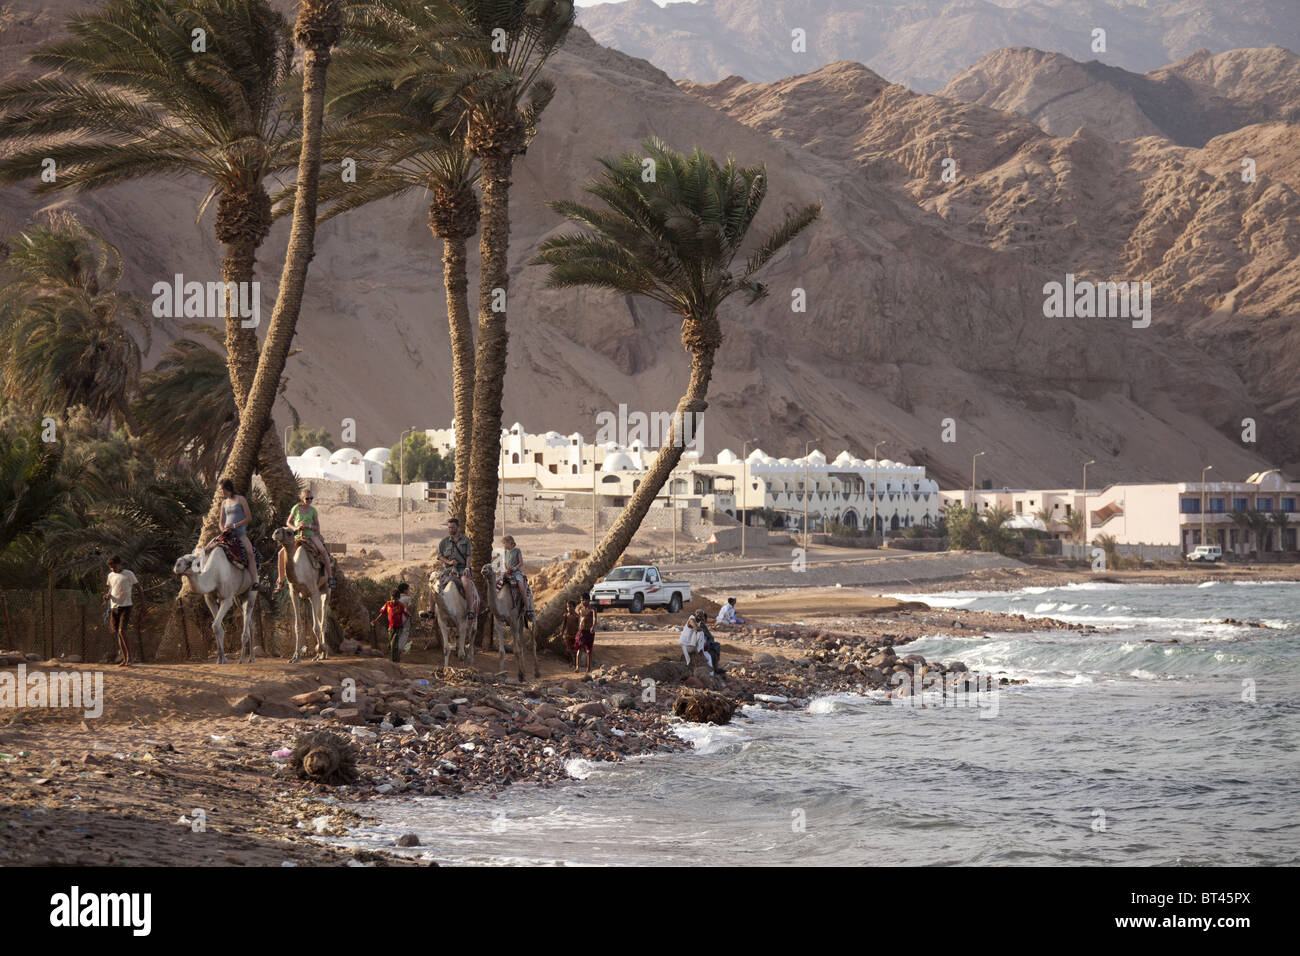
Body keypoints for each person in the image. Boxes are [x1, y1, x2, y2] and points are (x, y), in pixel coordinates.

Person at [276, 489, 333, 592]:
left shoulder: (313, 511)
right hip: (297, 536)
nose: (309, 500)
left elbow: (317, 527)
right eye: (307, 498)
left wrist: (308, 526)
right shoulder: (296, 508)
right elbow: (288, 522)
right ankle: (280, 580)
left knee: (324, 552)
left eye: (311, 498)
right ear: (302, 499)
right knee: (281, 554)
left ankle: (330, 578)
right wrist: (296, 528)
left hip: (310, 536)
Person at [204, 478, 257, 583]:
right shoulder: (224, 503)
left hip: (240, 533)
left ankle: (255, 582)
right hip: (227, 534)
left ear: (227, 488)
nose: (220, 491)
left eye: (221, 489)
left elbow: (249, 518)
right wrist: (223, 529)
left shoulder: (240, 499)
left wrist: (234, 525)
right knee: (207, 549)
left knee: (250, 553)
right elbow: (221, 522)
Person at [104, 555, 142, 667]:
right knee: (118, 633)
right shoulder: (110, 576)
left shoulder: (129, 574)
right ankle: (125, 659)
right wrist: (107, 595)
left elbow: (139, 589)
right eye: (111, 567)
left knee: (121, 631)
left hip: (126, 606)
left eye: (114, 566)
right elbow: (111, 588)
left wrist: (143, 605)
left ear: (120, 564)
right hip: (114, 607)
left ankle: (130, 658)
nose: (113, 569)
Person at [436, 517, 477, 622]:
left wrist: (467, 567)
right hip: (448, 570)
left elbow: (468, 555)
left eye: (453, 527)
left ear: (458, 527)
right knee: (434, 584)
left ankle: (471, 610)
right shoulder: (444, 542)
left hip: (462, 568)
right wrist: (449, 562)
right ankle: (431, 611)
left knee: (466, 583)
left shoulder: (465, 540)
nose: (450, 529)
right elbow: (440, 556)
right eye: (449, 527)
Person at [499, 535, 534, 624]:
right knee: (498, 585)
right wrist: (506, 568)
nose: (504, 545)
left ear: (510, 542)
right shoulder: (505, 552)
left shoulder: (517, 551)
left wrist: (514, 568)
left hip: (516, 572)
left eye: (504, 543)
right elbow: (504, 563)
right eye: (503, 543)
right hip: (508, 572)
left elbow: (521, 563)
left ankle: (528, 609)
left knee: (520, 585)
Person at [371, 589, 410, 663]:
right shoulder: (387, 604)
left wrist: (408, 621)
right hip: (391, 628)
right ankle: (397, 657)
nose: (394, 601)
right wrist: (375, 620)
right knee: (393, 644)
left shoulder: (401, 605)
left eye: (396, 599)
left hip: (399, 627)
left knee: (394, 642)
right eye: (393, 599)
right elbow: (382, 613)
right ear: (390, 598)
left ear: (398, 598)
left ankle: (394, 661)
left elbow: (407, 614)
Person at [574, 593, 597, 672]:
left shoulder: (592, 609)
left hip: (589, 631)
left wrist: (593, 626)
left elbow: (594, 619)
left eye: (583, 600)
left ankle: (589, 668)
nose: (582, 602)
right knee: (579, 648)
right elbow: (577, 615)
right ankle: (577, 667)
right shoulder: (580, 609)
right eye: (581, 600)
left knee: (589, 650)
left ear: (588, 600)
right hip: (581, 631)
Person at [396, 581, 414, 654]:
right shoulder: (408, 598)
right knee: (405, 632)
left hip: (395, 616)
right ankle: (401, 648)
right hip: (404, 616)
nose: (409, 591)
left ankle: (395, 646)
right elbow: (409, 608)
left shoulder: (396, 598)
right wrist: (411, 618)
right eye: (408, 589)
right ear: (405, 590)